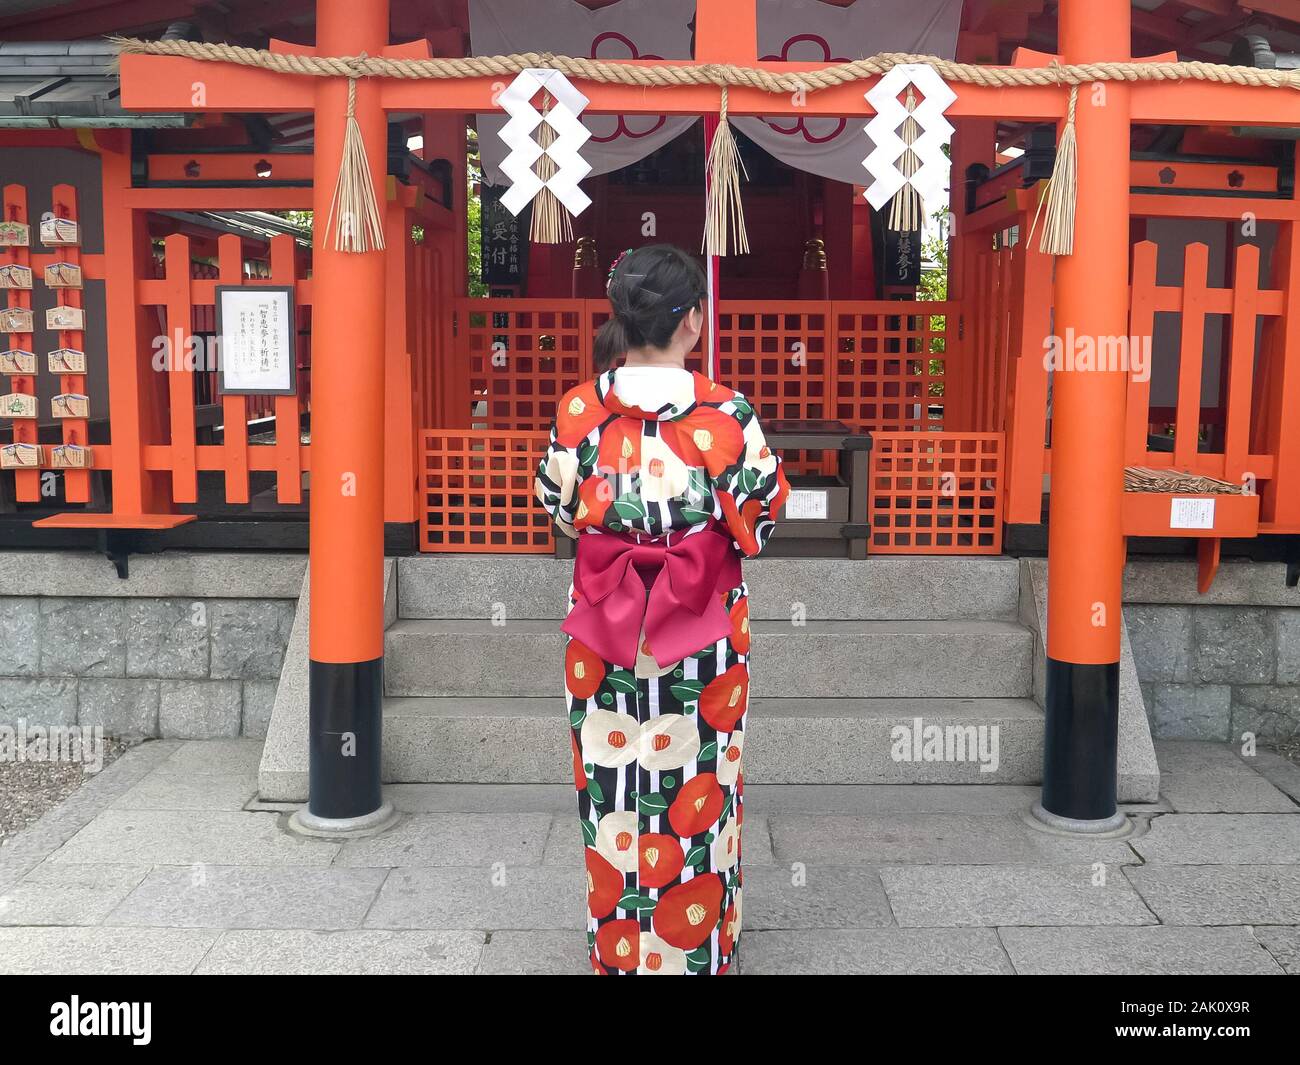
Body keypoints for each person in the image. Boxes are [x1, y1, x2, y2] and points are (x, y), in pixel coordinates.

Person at [535, 243, 789, 975]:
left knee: (610, 781)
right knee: (702, 779)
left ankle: (619, 947)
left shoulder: (581, 411)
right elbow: (763, 519)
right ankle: (698, 949)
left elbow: (559, 507)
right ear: (693, 324)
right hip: (704, 624)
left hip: (604, 621)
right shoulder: (727, 416)